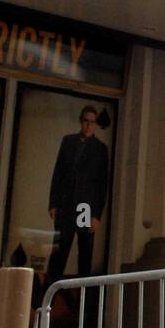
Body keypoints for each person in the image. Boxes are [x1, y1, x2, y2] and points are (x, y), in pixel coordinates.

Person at [46, 105, 110, 295]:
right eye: (86, 121)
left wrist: (97, 215)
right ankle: (48, 298)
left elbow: (102, 184)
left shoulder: (100, 149)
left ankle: (84, 301)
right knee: (59, 251)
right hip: (66, 204)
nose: (89, 125)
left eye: (92, 122)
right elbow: (58, 172)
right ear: (81, 121)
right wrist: (53, 202)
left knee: (85, 252)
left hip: (85, 207)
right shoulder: (68, 142)